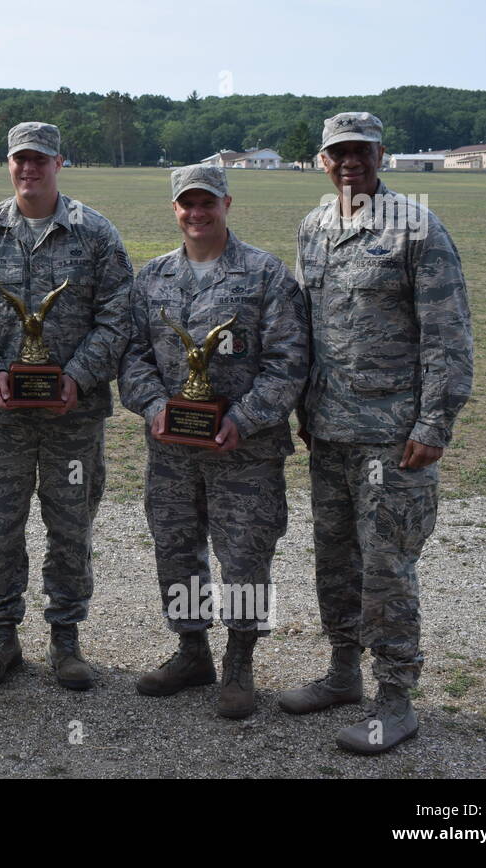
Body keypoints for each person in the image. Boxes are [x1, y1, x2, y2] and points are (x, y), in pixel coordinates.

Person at [281, 112, 473, 753]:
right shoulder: (313, 228)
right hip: (329, 434)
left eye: (360, 151)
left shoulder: (416, 228)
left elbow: (448, 335)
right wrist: (303, 409)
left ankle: (395, 700)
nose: (349, 162)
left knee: (386, 569)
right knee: (335, 563)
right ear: (322, 160)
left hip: (394, 439)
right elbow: (304, 328)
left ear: (381, 155)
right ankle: (342, 674)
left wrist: (434, 422)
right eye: (338, 153)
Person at [118, 164, 307, 718]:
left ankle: (240, 660)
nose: (197, 213)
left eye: (207, 203)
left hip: (244, 451)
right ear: (175, 209)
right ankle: (191, 649)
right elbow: (133, 355)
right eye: (186, 204)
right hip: (172, 452)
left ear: (228, 203)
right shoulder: (152, 278)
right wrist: (154, 407)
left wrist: (243, 419)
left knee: (245, 555)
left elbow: (288, 361)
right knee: (177, 550)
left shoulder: (264, 274)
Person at [0, 121, 133, 690]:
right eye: (19, 160)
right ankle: (1, 636)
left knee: (71, 524)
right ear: (8, 164)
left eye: (40, 160)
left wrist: (77, 377)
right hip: (0, 413)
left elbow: (118, 315)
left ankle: (66, 639)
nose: (29, 170)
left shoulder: (94, 233)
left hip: (71, 417)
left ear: (59, 163)